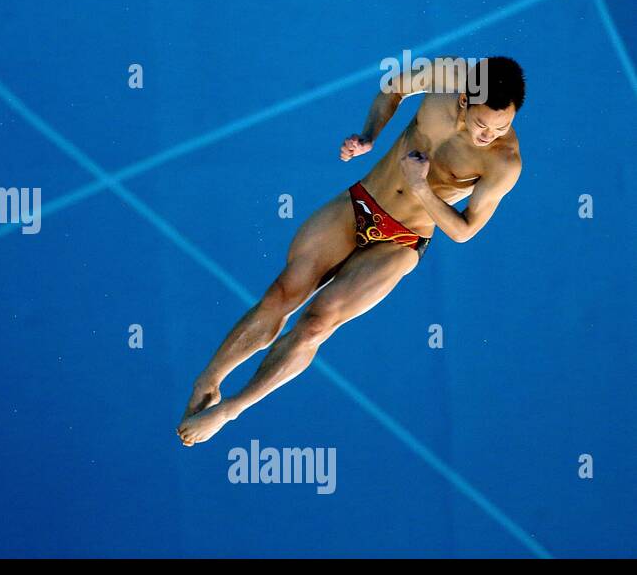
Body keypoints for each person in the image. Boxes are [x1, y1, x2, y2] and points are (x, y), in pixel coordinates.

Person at [178, 56, 525, 445]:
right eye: (482, 124)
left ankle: (231, 409)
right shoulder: (445, 77)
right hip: (362, 200)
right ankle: (208, 382)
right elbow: (391, 90)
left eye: (502, 126)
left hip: (403, 240)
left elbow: (463, 232)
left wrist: (421, 187)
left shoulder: (504, 162)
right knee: (282, 293)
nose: (488, 135)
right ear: (464, 97)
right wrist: (369, 135)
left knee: (316, 323)